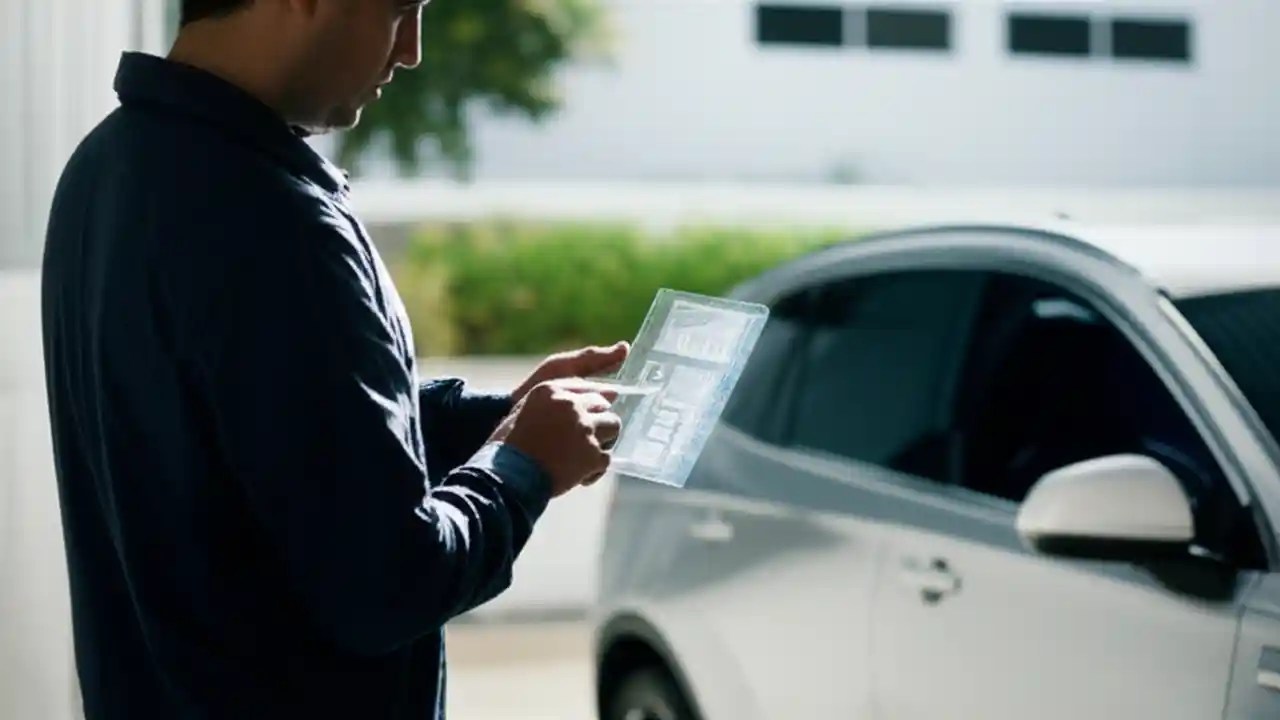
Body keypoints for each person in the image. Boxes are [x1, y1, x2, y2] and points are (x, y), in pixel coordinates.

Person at [40, 1, 628, 717]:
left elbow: (282, 445)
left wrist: (500, 421)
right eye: (399, 12)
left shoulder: (106, 167)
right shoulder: (271, 222)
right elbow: (388, 585)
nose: (411, 49)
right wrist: (521, 468)